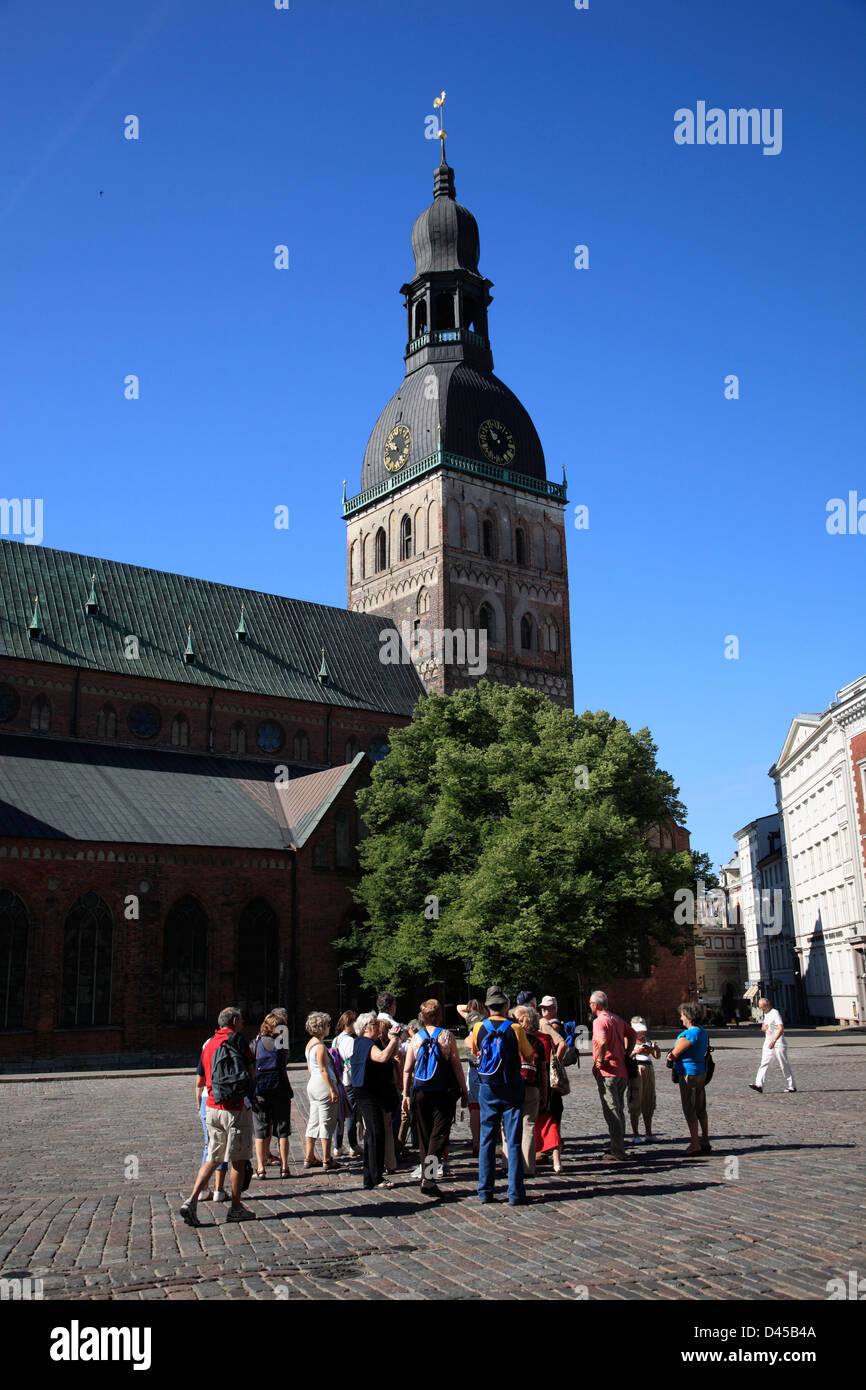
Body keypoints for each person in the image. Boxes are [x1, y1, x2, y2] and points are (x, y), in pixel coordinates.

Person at [181, 1006, 256, 1225]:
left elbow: (201, 1078)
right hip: (235, 1107)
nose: (243, 1022)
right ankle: (235, 1208)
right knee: (238, 1159)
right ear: (233, 1021)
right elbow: (251, 1072)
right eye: (241, 1019)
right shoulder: (239, 1041)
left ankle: (192, 1200)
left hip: (212, 1106)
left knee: (213, 1155)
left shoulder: (209, 1043)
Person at [470, 985, 535, 1205]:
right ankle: (515, 1193)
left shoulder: (479, 1027)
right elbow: (528, 1054)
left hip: (488, 1087)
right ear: (506, 1006)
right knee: (513, 1141)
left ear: (488, 1007)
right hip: (511, 1086)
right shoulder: (515, 1028)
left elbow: (473, 1051)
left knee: (487, 1139)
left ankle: (485, 1191)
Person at [402, 999, 468, 1197]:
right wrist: (464, 1090)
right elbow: (456, 1065)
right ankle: (428, 1179)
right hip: (442, 1091)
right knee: (438, 1135)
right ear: (439, 1016)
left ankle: (427, 1175)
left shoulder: (416, 1038)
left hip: (420, 1091)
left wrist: (405, 1094)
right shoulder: (446, 1036)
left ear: (422, 1017)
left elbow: (407, 1068)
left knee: (424, 1136)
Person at [351, 1012, 402, 1190]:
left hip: (368, 1092)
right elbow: (381, 1057)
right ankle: (376, 1176)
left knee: (373, 1133)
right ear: (365, 1027)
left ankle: (370, 1176)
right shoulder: (365, 1042)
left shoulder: (364, 1042)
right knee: (375, 1133)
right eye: (373, 1023)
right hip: (368, 1094)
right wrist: (394, 1040)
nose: (376, 1025)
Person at [589, 989, 637, 1162]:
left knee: (612, 1111)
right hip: (621, 1070)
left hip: (608, 1071)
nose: (590, 1006)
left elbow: (602, 1041)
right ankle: (619, 1145)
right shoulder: (616, 1019)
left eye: (590, 1003)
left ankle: (618, 1150)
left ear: (595, 1005)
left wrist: (600, 1059)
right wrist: (626, 1053)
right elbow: (632, 1034)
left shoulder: (599, 1021)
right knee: (619, 1110)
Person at [251, 1011, 293, 1179]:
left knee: (260, 1131)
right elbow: (285, 1063)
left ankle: (261, 1168)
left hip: (261, 1092)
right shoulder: (281, 1044)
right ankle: (285, 1167)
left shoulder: (256, 1043)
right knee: (283, 1131)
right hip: (281, 1090)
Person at [667, 1002, 711, 1155]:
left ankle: (694, 1143)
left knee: (689, 1107)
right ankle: (705, 1139)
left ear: (687, 1016)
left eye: (682, 1015)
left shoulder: (690, 1034)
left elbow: (675, 1053)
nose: (680, 1018)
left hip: (688, 1074)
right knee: (701, 1107)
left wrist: (670, 1055)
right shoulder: (703, 1031)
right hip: (700, 1071)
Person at [512, 1004, 548, 1178]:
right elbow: (543, 1070)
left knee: (508, 1126)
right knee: (529, 1126)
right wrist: (545, 1093)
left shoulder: (510, 1037)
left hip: (513, 1085)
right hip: (532, 1086)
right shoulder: (537, 1042)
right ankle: (528, 1167)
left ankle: (508, 1165)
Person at [304, 1012, 340, 1169]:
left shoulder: (310, 1044)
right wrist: (332, 1089)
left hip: (313, 1084)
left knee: (313, 1122)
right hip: (323, 1084)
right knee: (326, 1122)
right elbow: (324, 1070)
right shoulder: (320, 1047)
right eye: (327, 1025)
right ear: (321, 1027)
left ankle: (309, 1157)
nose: (329, 1028)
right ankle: (327, 1158)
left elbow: (310, 1069)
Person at [457, 999, 487, 1158]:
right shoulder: (487, 1029)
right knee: (487, 1108)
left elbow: (458, 1007)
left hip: (474, 1073)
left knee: (474, 1109)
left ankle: (476, 1141)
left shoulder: (469, 1037)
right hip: (487, 1073)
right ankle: (485, 1140)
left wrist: (470, 1011)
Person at [750, 998, 797, 1093]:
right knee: (764, 1062)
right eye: (760, 1008)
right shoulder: (766, 1014)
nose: (761, 1009)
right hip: (768, 1041)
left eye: (762, 1008)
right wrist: (763, 1028)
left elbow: (780, 1028)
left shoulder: (775, 1013)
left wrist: (774, 1041)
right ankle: (759, 1084)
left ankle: (791, 1086)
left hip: (778, 1042)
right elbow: (764, 1026)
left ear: (767, 1005)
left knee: (783, 1064)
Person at [627, 1017, 660, 1143]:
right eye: (639, 1031)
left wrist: (654, 1049)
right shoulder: (629, 1039)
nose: (641, 1033)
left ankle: (649, 1132)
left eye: (642, 1031)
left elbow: (656, 1056)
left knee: (649, 1099)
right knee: (635, 1100)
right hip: (637, 1069)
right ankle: (635, 1134)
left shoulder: (646, 1039)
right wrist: (636, 1051)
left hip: (648, 1068)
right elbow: (626, 1056)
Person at [332, 1010, 361, 1156]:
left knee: (339, 1114)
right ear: (349, 1024)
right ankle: (352, 1144)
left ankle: (337, 1146)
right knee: (350, 1113)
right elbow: (353, 1061)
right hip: (348, 1080)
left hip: (338, 1079)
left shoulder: (336, 1039)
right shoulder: (350, 1041)